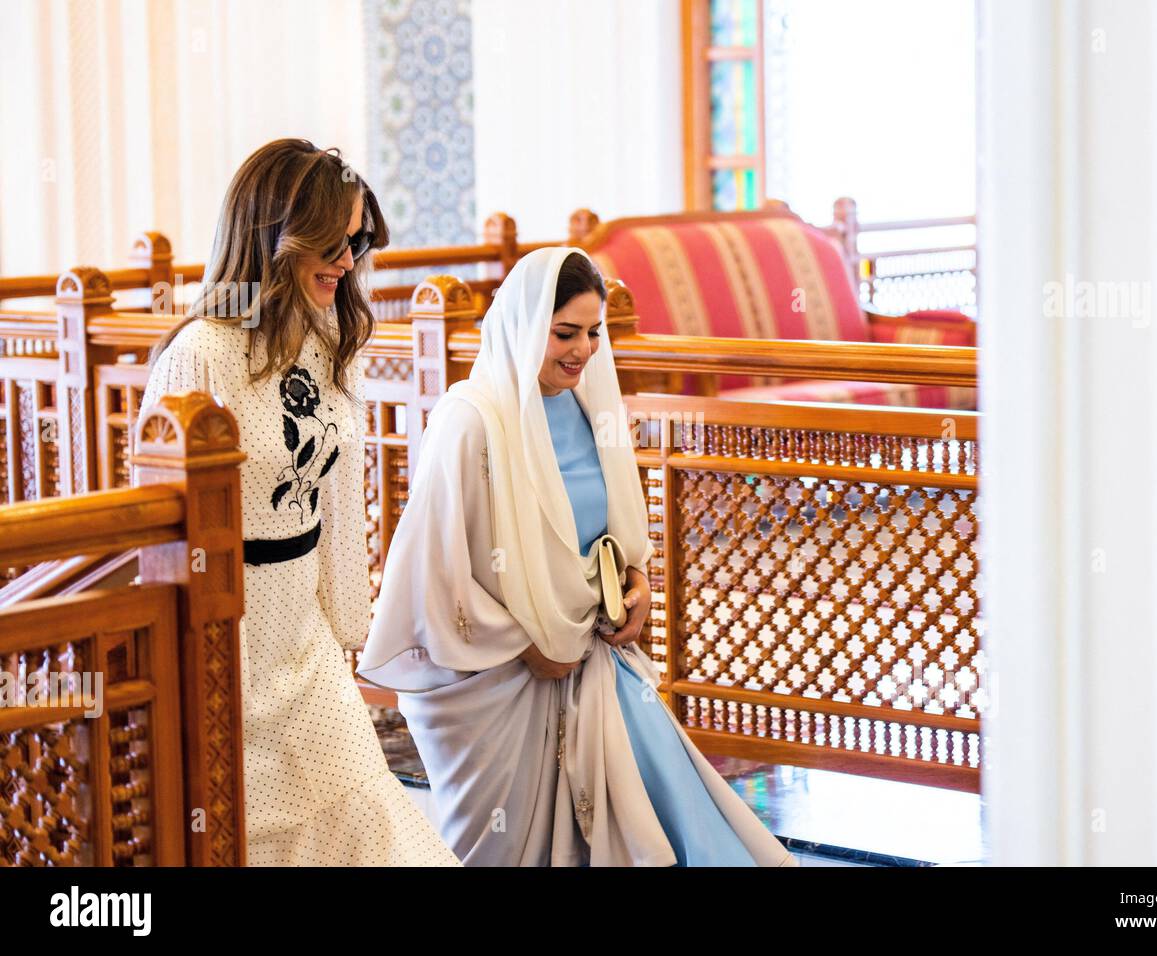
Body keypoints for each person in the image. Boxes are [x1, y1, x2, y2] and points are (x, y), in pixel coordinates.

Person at [359, 246, 795, 867]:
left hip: (594, 660)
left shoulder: (593, 409)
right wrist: (527, 644)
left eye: (594, 333)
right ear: (523, 326)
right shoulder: (469, 420)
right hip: (500, 680)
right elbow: (434, 572)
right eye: (565, 333)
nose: (584, 351)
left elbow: (616, 531)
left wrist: (637, 585)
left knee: (665, 800)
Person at [143, 138, 459, 866]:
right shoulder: (200, 354)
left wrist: (350, 627)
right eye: (335, 240)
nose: (349, 260)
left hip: (304, 637)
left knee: (370, 816)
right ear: (274, 234)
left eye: (357, 241)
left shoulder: (321, 341)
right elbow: (161, 529)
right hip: (225, 639)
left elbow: (338, 499)